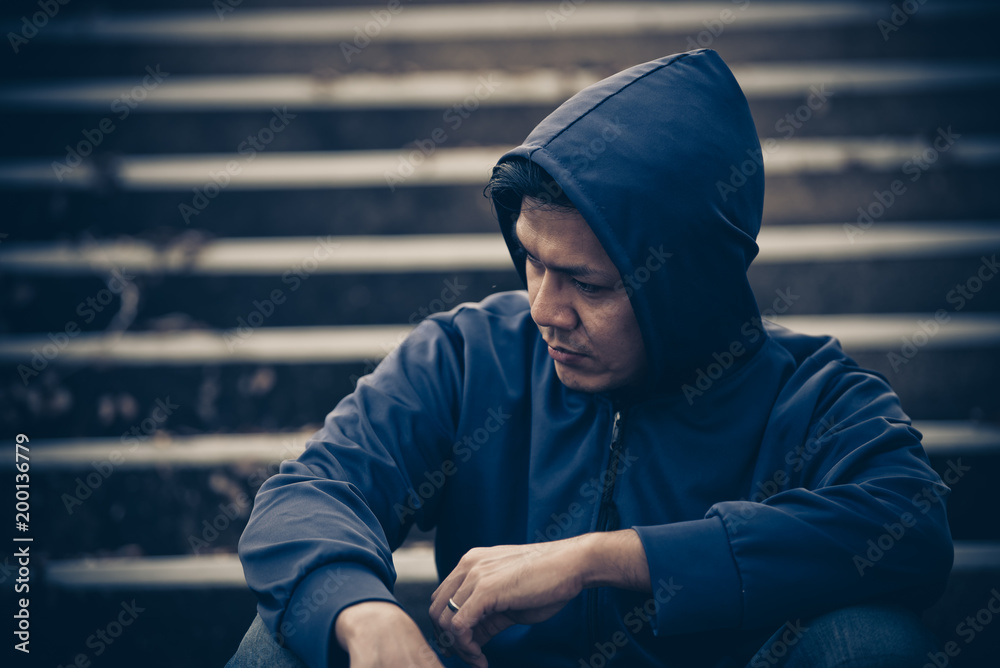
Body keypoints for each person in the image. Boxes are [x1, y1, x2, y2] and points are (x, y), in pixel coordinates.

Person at [227, 49, 951, 668]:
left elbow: (910, 526)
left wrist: (600, 559)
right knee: (290, 637)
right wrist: (363, 614)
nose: (543, 308)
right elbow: (312, 492)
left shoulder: (814, 397)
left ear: (687, 287)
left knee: (872, 639)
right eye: (534, 264)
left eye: (586, 282)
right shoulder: (469, 354)